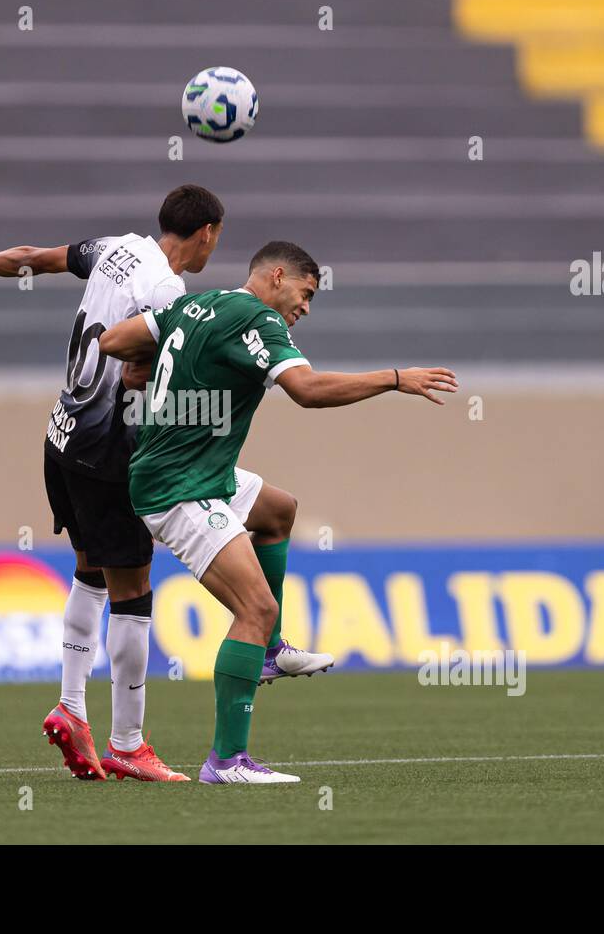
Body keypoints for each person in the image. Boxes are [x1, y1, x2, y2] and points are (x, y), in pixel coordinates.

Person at [0, 186, 316, 782]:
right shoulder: (167, 291)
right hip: (115, 451)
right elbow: (136, 375)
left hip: (61, 437)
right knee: (131, 596)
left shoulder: (118, 250)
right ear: (208, 233)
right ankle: (127, 742)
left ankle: (72, 703)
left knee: (89, 573)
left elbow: (38, 255)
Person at [99, 241, 457, 783]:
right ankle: (227, 761)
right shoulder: (260, 320)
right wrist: (395, 378)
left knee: (277, 511)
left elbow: (114, 343)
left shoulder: (200, 303)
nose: (307, 307)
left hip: (184, 468)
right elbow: (307, 391)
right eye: (306, 293)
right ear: (279, 275)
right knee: (255, 609)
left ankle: (269, 651)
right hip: (180, 486)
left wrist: (164, 367)